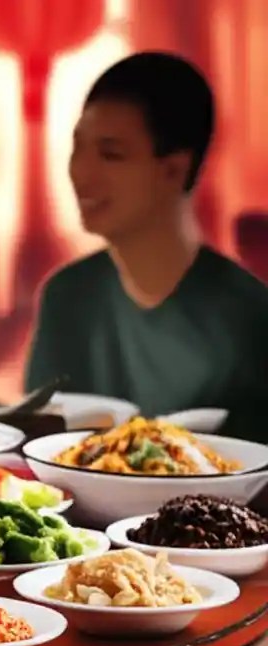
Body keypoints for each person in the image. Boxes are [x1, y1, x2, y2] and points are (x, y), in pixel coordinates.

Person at [25, 52, 268, 441]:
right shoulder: (66, 297)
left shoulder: (248, 318)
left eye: (111, 154)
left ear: (174, 170)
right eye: (78, 148)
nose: (80, 173)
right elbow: (38, 445)